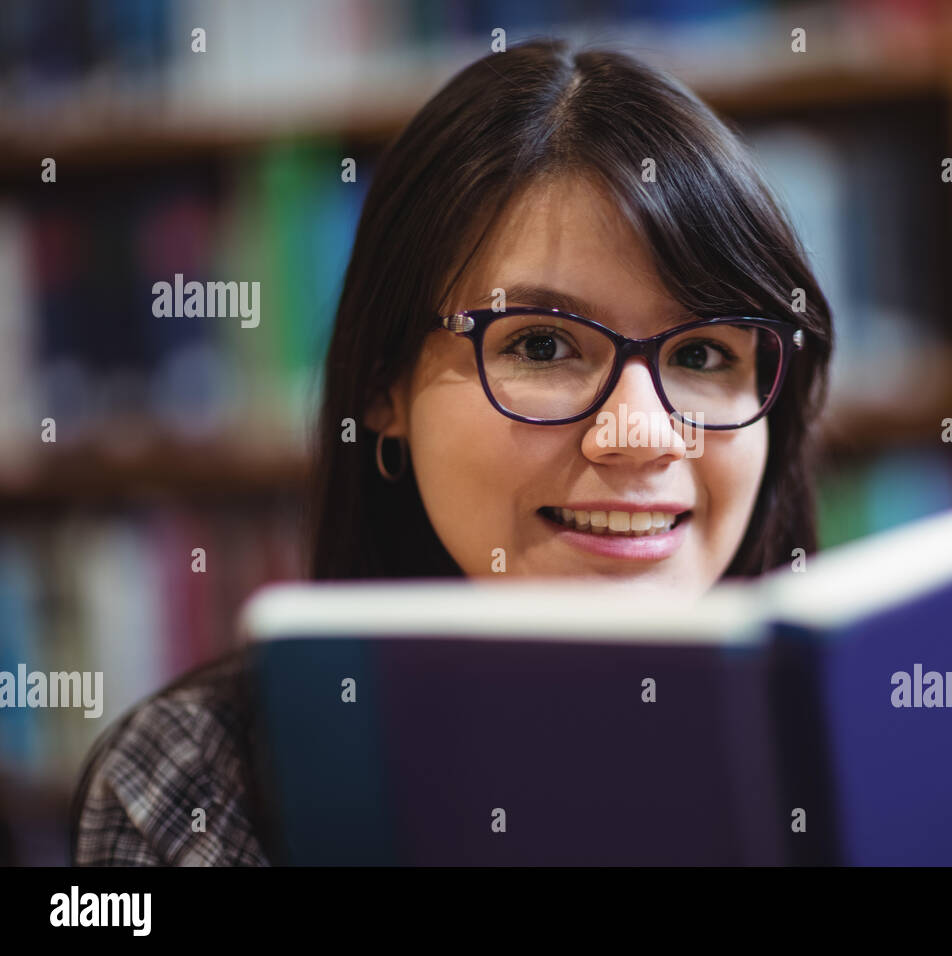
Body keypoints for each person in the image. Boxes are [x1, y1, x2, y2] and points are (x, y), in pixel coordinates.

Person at [72, 37, 833, 866]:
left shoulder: (854, 750)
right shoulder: (198, 785)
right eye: (542, 346)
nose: (643, 435)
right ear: (383, 384)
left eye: (701, 355)